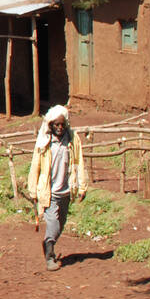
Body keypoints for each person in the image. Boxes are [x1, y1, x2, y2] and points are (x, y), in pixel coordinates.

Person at [26, 104, 89, 272]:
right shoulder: (44, 142)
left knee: (60, 224)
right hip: (49, 192)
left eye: (62, 124)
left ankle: (48, 242)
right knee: (53, 223)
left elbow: (79, 163)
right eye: (56, 125)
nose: (60, 128)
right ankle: (50, 255)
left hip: (66, 190)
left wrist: (82, 186)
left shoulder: (72, 140)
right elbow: (35, 166)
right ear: (51, 126)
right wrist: (33, 190)